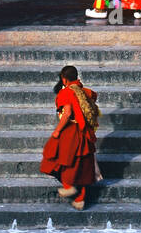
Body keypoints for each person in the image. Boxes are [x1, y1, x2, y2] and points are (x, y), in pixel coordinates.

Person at [40, 66, 98, 210]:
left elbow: (67, 113)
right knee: (83, 165)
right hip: (85, 133)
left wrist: (57, 131)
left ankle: (69, 186)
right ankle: (80, 200)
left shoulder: (66, 93)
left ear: (64, 79)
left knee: (56, 157)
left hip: (70, 131)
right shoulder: (86, 92)